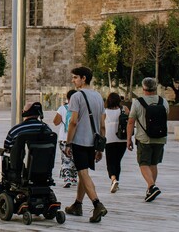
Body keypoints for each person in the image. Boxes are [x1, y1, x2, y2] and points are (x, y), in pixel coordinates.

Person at [64, 66, 107, 224]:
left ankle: (97, 204)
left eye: (75, 77)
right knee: (84, 172)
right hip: (93, 141)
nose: (73, 80)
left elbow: (73, 122)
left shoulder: (77, 96)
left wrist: (68, 143)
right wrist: (100, 146)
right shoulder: (98, 96)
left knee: (83, 173)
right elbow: (103, 124)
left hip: (80, 141)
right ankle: (77, 204)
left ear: (83, 78)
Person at [0, 102, 54, 194]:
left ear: (25, 113)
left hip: (20, 170)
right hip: (43, 169)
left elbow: (7, 147)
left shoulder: (17, 130)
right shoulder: (47, 130)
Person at [127, 76, 169, 202]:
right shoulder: (163, 101)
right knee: (153, 163)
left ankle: (151, 186)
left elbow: (130, 122)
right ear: (155, 88)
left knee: (143, 163)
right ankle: (150, 188)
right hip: (160, 138)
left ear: (143, 88)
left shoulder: (138, 102)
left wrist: (129, 139)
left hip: (144, 138)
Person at [101, 92, 127, 194]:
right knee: (117, 161)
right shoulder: (124, 109)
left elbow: (102, 125)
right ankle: (117, 180)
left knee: (110, 162)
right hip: (122, 139)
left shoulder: (104, 111)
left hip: (109, 139)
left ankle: (113, 179)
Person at [53, 90, 78, 189]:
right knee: (75, 158)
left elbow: (56, 122)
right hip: (76, 138)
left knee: (66, 159)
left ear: (67, 98)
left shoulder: (62, 108)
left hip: (64, 137)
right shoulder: (79, 109)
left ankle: (67, 178)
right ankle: (74, 178)